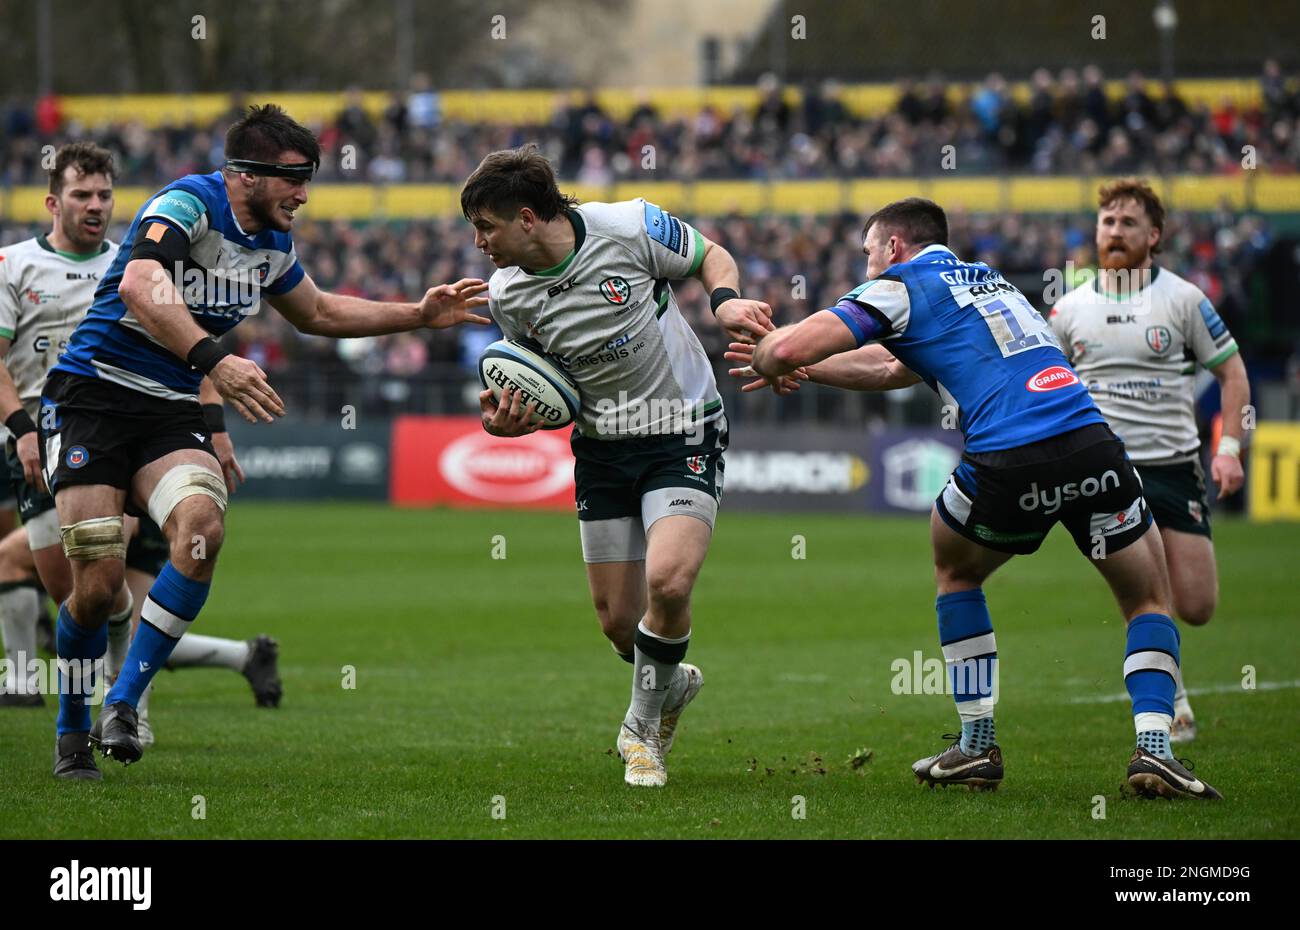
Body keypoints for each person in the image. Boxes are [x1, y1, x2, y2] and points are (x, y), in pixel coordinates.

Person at [42, 104, 489, 779]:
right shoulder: (189, 202)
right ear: (245, 177)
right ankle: (71, 727)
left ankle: (123, 701)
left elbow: (317, 311)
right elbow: (140, 283)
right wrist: (213, 361)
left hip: (168, 412)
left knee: (202, 531)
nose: (304, 194)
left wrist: (417, 317)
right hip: (92, 399)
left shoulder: (272, 244)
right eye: (294, 179)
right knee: (99, 586)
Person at [732, 196, 1220, 800]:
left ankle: (977, 742)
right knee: (1148, 596)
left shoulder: (901, 284)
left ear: (893, 248)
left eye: (867, 254)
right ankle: (1155, 750)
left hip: (1007, 457)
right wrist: (812, 370)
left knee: (955, 570)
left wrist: (768, 354)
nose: (865, 270)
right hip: (1091, 442)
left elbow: (783, 350)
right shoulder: (993, 285)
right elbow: (890, 371)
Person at [462, 143, 773, 787]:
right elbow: (526, 381)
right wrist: (502, 418)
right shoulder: (508, 296)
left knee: (670, 583)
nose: (479, 242)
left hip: (681, 427)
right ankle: (672, 682)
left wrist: (724, 303)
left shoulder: (628, 226)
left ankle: (640, 732)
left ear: (525, 217)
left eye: (485, 226)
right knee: (617, 624)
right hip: (602, 445)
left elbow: (710, 254)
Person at [1049, 178, 1250, 742]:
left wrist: (1229, 449)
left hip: (1175, 467)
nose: (1114, 232)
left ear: (1154, 235)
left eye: (1128, 223)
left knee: (1197, 604)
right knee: (1142, 594)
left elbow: (1232, 373)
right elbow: (1039, 384)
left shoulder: (1184, 300)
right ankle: (1170, 704)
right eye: (1107, 222)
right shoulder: (1068, 309)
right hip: (1108, 473)